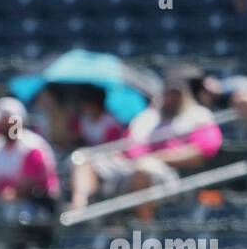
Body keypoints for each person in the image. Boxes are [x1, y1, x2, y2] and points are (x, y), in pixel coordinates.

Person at [71, 73, 223, 220]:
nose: (171, 98)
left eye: (176, 94)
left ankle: (146, 227)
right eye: (168, 93)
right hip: (129, 165)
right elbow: (126, 145)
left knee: (142, 169)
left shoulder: (197, 115)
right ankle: (79, 211)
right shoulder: (147, 117)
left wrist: (157, 157)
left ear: (185, 95)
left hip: (169, 171)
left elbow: (202, 151)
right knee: (83, 157)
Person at [0, 96, 60, 207]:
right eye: (3, 121)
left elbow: (26, 188)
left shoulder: (33, 146)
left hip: (38, 206)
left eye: (8, 121)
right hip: (3, 208)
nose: (5, 125)